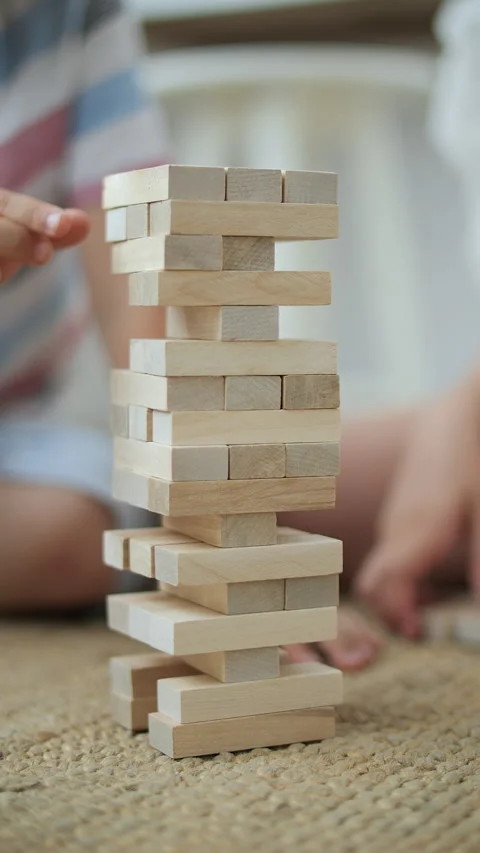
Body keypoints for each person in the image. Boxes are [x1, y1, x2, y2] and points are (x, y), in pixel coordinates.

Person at [0, 0, 167, 611]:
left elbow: (132, 268)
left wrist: (175, 466)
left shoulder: (79, 14)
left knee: (74, 532)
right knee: (67, 534)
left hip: (17, 429)